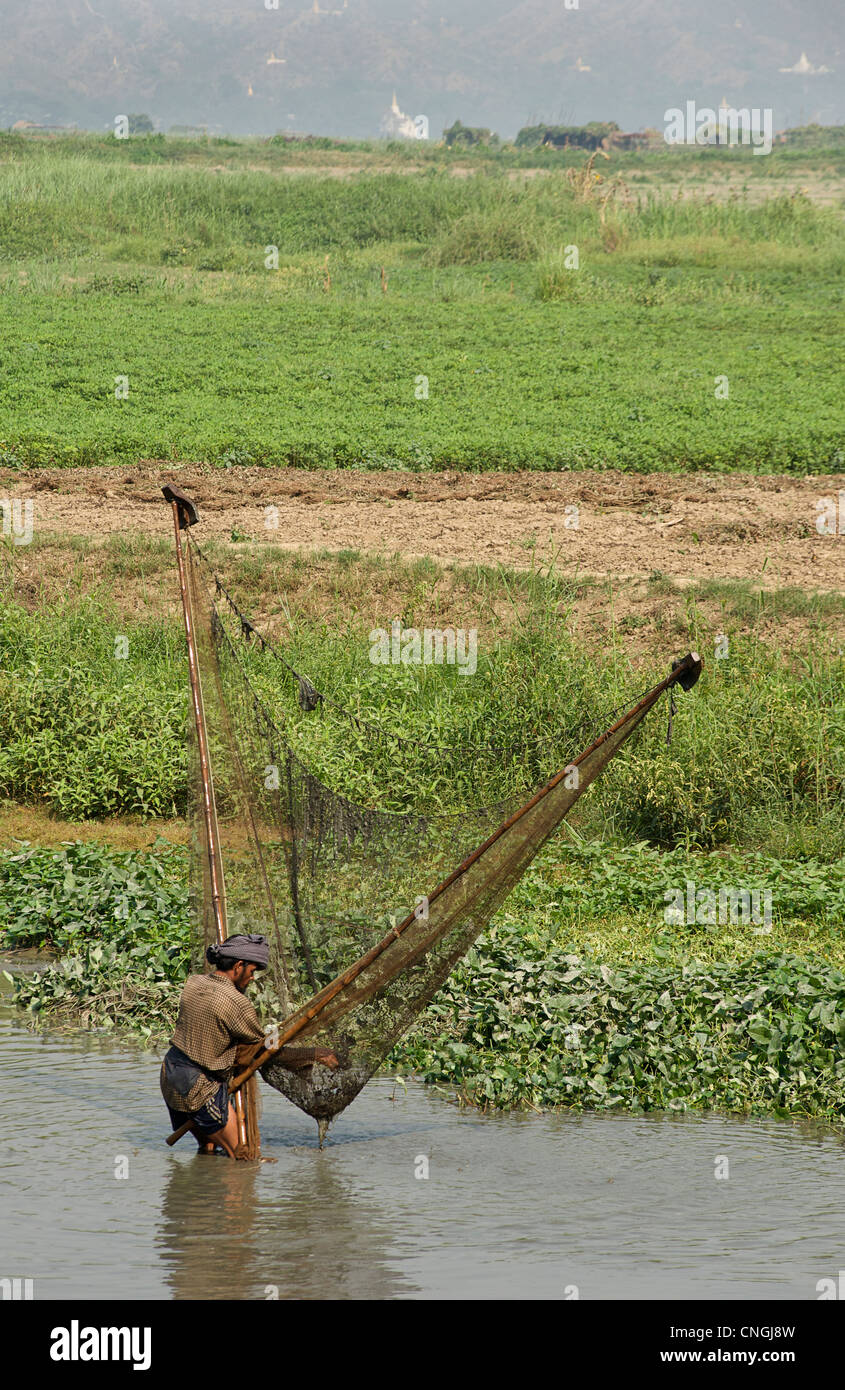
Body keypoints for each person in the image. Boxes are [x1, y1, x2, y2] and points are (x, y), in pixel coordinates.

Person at [160, 932, 338, 1157]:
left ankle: (202, 1191)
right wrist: (315, 1054)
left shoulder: (195, 982)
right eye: (252, 971)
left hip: (171, 1074)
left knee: (208, 1149)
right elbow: (266, 1052)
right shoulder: (236, 1002)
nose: (253, 978)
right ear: (239, 965)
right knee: (243, 1157)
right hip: (199, 1087)